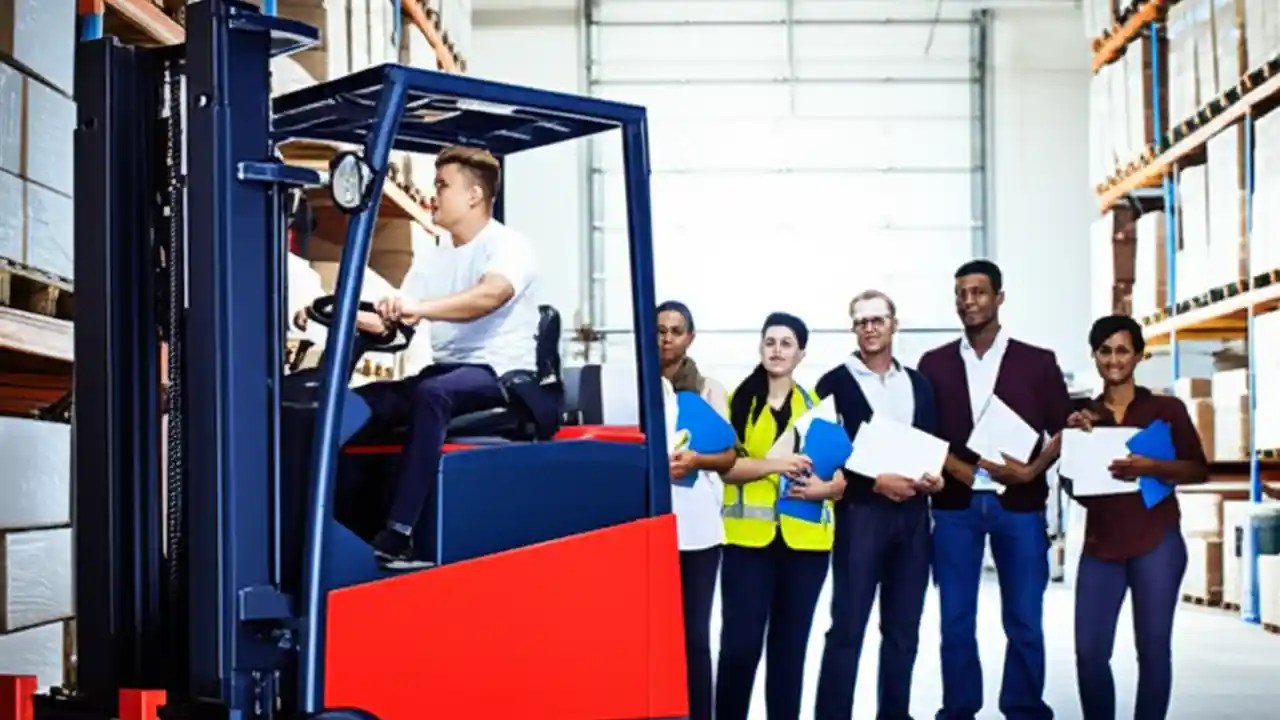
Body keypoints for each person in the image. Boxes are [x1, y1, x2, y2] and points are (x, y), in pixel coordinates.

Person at [343, 145, 541, 567]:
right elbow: (397, 320)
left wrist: (420, 309)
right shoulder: (434, 254)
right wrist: (340, 312)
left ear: (473, 196)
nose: (434, 195)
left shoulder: (507, 245)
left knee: (432, 395)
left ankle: (400, 533)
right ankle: (342, 520)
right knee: (359, 405)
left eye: (442, 186)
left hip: (500, 374)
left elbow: (491, 295)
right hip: (445, 372)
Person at [917, 259, 1072, 720]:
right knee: (956, 620)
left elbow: (1065, 428)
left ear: (999, 297)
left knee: (1025, 618)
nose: (970, 301)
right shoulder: (934, 363)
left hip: (1020, 506)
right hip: (954, 508)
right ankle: (960, 707)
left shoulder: (1037, 362)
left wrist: (1033, 471)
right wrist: (960, 470)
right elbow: (925, 435)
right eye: (962, 293)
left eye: (979, 292)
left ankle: (1023, 706)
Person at [1064, 314, 1207, 720]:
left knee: (1153, 649)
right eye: (1105, 351)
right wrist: (1077, 445)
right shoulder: (1082, 416)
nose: (1114, 359)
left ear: (1139, 355)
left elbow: (1197, 469)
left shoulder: (1166, 409)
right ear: (1094, 356)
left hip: (1156, 540)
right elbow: (1073, 487)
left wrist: (1150, 467)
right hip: (1102, 544)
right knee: (1089, 652)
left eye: (1123, 350)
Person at [812, 290, 941, 720]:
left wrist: (933, 477)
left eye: (877, 319)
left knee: (904, 628)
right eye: (861, 321)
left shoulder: (919, 384)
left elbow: (931, 443)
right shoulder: (833, 383)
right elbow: (826, 453)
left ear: (894, 324)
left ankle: (895, 714)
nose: (870, 327)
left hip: (913, 519)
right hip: (860, 516)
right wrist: (874, 482)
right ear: (854, 328)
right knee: (848, 627)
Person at [714, 312, 844, 720]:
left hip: (805, 544)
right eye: (770, 341)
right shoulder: (737, 403)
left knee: (789, 652)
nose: (777, 350)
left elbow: (838, 478)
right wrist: (777, 465)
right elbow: (726, 467)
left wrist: (829, 489)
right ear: (760, 347)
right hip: (747, 543)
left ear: (801, 353)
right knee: (739, 647)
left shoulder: (817, 408)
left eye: (787, 343)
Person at [656, 300, 736, 720]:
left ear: (690, 337)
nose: (667, 337)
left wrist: (695, 462)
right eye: (660, 329)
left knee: (694, 638)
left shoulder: (708, 389)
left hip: (699, 530)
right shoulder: (636, 387)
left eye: (676, 330)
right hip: (649, 526)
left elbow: (727, 458)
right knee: (649, 636)